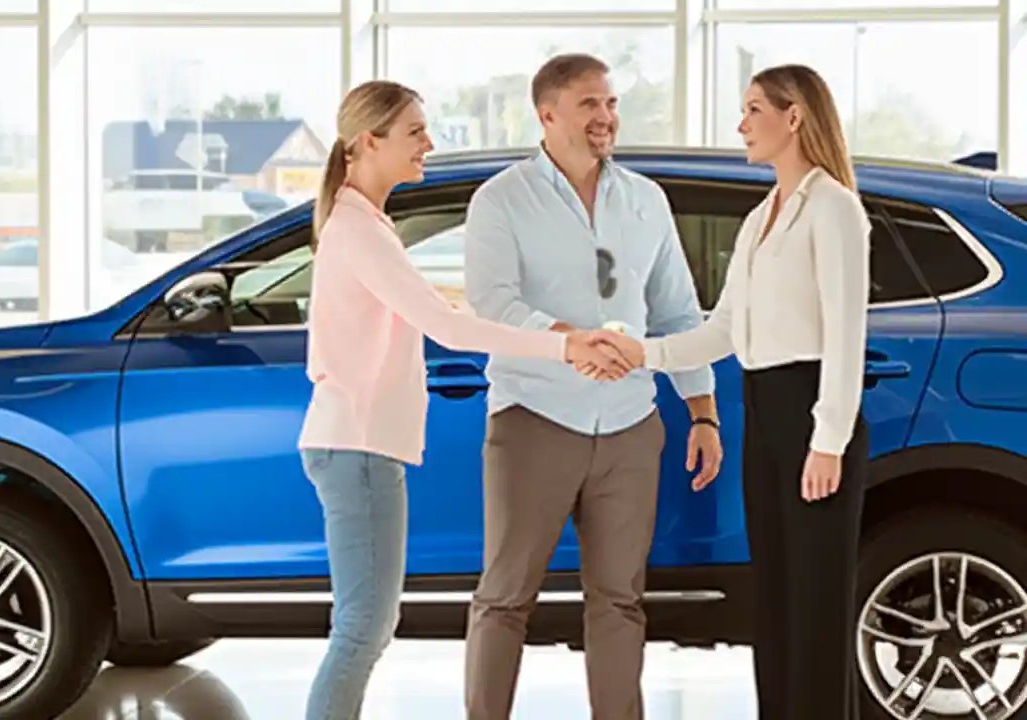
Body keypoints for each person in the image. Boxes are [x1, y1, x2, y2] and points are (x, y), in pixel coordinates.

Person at [295, 79, 627, 720]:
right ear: (369, 141)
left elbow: (438, 309)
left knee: (365, 627)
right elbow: (447, 329)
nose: (429, 143)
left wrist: (551, 330)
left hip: (359, 445)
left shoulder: (366, 224)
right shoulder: (358, 230)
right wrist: (564, 347)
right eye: (415, 131)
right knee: (362, 629)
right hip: (356, 446)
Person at [598, 63, 871, 720]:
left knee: (816, 602)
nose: (741, 124)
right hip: (764, 409)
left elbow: (846, 333)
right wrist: (643, 353)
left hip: (810, 414)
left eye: (753, 110)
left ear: (793, 116)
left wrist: (828, 439)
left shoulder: (833, 207)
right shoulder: (760, 218)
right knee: (774, 597)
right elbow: (722, 329)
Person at [462, 53, 724, 720]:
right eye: (589, 104)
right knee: (505, 597)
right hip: (534, 417)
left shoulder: (645, 200)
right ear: (547, 114)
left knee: (620, 599)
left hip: (632, 423)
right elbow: (493, 305)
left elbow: (677, 311)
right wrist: (571, 342)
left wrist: (703, 412)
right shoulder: (501, 200)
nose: (606, 117)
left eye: (610, 103)